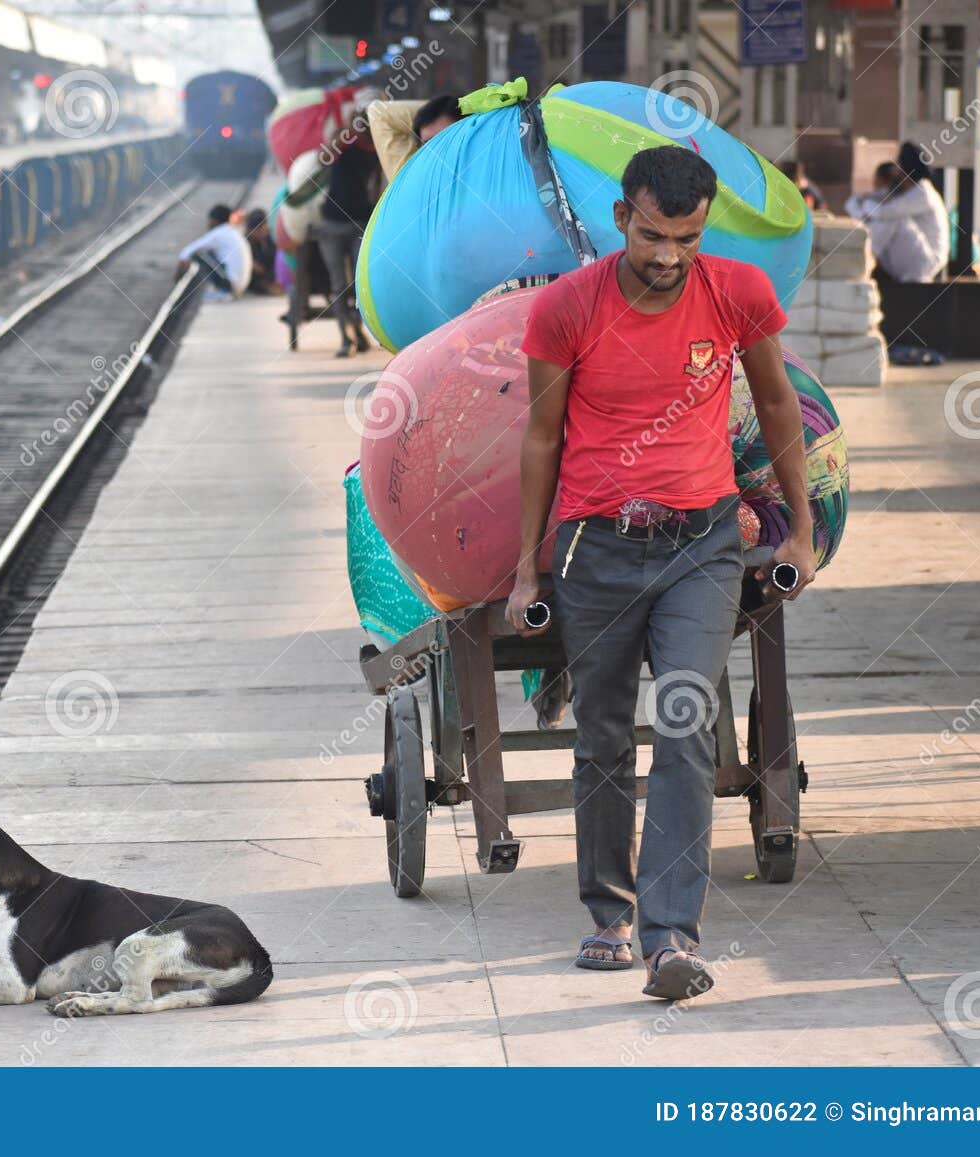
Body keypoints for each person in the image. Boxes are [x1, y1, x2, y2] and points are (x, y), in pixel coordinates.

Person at [508, 145, 816, 1001]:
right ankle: (605, 913)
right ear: (621, 220)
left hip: (702, 544)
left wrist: (797, 533)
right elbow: (541, 437)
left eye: (686, 235)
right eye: (651, 235)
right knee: (603, 733)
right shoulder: (567, 309)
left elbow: (780, 401)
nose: (668, 255)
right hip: (593, 548)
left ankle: (670, 937)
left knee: (685, 722)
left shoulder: (739, 293)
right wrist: (530, 569)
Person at [316, 118, 380, 356]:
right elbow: (325, 157)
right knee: (339, 285)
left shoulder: (376, 149)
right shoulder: (342, 145)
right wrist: (348, 128)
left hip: (360, 222)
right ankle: (347, 337)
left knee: (359, 284)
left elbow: (376, 185)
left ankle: (357, 331)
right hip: (333, 223)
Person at [844, 149, 949, 283]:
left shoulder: (923, 193)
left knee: (894, 220)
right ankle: (865, 256)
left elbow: (883, 213)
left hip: (925, 263)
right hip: (905, 260)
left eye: (897, 165)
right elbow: (853, 202)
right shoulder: (900, 190)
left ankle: (865, 258)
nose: (893, 170)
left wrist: (866, 209)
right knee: (884, 219)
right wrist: (864, 212)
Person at [367, 93, 463, 184]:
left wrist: (471, 109)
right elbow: (379, 114)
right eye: (428, 144)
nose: (437, 150)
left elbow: (380, 114)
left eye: (446, 138)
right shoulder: (417, 189)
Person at [176, 204, 252, 300]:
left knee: (199, 255)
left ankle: (224, 291)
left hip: (232, 285)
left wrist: (179, 274)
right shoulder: (233, 231)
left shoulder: (218, 233)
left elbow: (187, 252)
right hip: (241, 285)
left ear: (215, 220)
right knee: (209, 252)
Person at [241, 208, 280, 296]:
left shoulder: (270, 237)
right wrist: (252, 264)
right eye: (258, 231)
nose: (262, 233)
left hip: (269, 273)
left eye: (263, 230)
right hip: (254, 278)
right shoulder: (246, 241)